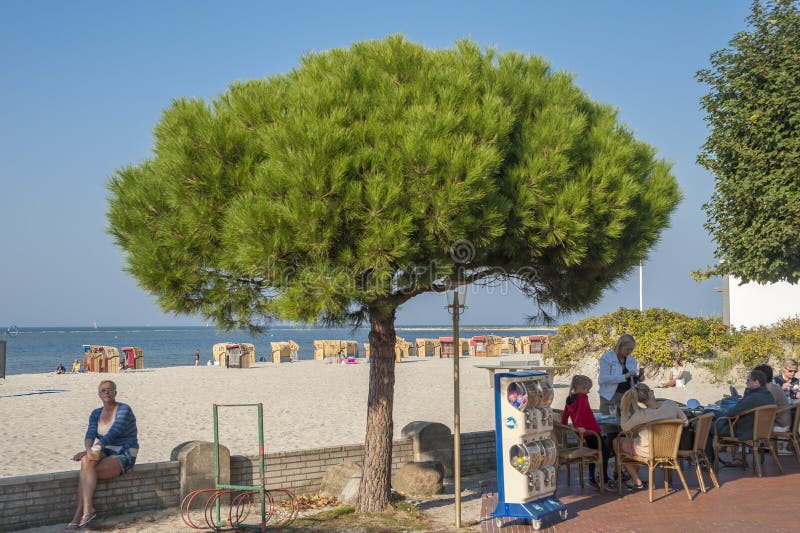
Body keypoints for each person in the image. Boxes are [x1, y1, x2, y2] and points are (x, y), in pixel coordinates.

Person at [66, 380, 138, 531]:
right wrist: (88, 449)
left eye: (110, 390)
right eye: (103, 390)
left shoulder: (124, 409)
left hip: (125, 451)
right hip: (105, 449)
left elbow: (113, 433)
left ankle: (79, 514)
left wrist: (93, 449)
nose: (107, 392)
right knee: (86, 462)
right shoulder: (96, 413)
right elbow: (90, 434)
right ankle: (87, 510)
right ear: (99, 394)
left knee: (86, 474)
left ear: (115, 393)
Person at [617, 382, 687, 490]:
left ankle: (636, 480)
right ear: (651, 393)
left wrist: (624, 410)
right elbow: (685, 422)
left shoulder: (641, 414)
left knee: (619, 442)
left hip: (649, 452)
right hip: (671, 449)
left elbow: (625, 428)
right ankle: (633, 479)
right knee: (634, 442)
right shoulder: (670, 405)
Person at [705, 369, 775, 466]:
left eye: (748, 381)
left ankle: (707, 461)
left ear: (756, 382)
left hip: (741, 431)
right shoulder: (768, 396)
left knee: (704, 426)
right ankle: (708, 459)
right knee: (709, 413)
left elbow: (731, 413)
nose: (746, 383)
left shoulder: (752, 398)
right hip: (757, 430)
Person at [561, 375, 610, 489]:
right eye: (587, 389)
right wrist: (580, 426)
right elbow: (581, 413)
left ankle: (592, 479)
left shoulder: (569, 398)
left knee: (593, 454)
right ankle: (604, 479)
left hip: (583, 432)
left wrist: (566, 427)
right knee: (605, 452)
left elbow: (565, 415)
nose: (588, 392)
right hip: (591, 430)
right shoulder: (582, 397)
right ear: (581, 387)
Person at [598, 333, 644, 414]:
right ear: (620, 346)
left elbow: (631, 380)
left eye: (631, 349)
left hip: (627, 396)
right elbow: (603, 379)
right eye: (627, 349)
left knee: (630, 420)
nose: (629, 352)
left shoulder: (632, 360)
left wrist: (638, 379)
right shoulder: (607, 358)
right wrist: (624, 376)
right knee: (608, 421)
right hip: (609, 397)